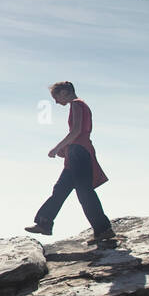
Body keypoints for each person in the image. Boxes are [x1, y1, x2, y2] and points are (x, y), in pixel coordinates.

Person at [25, 81, 116, 246]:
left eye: (56, 97)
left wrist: (57, 148)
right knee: (62, 189)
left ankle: (103, 230)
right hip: (76, 152)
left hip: (78, 152)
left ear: (65, 92)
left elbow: (76, 131)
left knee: (84, 192)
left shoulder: (76, 104)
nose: (56, 101)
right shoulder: (80, 105)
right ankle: (44, 223)